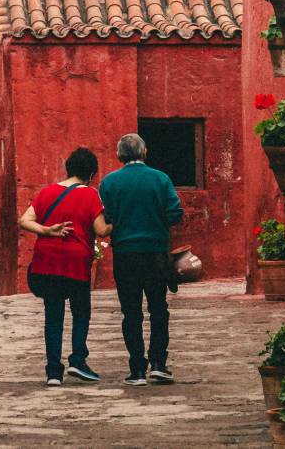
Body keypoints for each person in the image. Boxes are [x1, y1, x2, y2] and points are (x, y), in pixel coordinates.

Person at [18, 147, 112, 387]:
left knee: (53, 317)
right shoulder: (91, 195)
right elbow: (101, 230)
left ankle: (53, 373)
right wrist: (118, 222)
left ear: (68, 168)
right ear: (91, 173)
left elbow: (25, 220)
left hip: (47, 262)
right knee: (80, 313)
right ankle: (77, 361)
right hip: (76, 264)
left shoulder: (47, 192)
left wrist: (46, 230)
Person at [99, 133, 184, 386]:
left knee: (131, 312)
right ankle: (158, 363)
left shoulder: (110, 182)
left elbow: (107, 216)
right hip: (155, 253)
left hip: (125, 254)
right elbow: (174, 213)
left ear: (119, 155)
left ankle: (137, 369)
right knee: (158, 309)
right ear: (144, 152)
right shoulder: (160, 178)